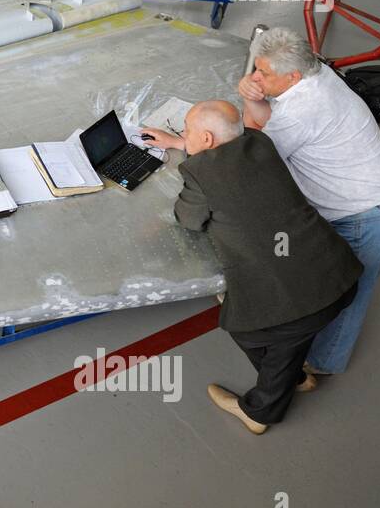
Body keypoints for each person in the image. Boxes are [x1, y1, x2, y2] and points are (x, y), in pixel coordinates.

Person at [142, 101, 361, 434]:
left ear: (205, 139)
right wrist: (180, 144)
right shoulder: (261, 143)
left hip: (305, 299)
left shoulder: (198, 174)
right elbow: (223, 159)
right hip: (339, 272)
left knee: (249, 329)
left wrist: (191, 160)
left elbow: (189, 219)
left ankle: (260, 412)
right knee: (288, 333)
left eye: (186, 130)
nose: (182, 135)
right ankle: (298, 377)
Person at [238, 27, 380, 375]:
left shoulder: (304, 108)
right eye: (255, 68)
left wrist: (188, 143)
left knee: (347, 298)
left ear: (293, 76)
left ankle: (320, 365)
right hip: (366, 208)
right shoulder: (317, 71)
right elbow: (262, 117)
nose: (255, 77)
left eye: (263, 73)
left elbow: (254, 158)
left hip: (369, 219)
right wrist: (253, 93)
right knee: (323, 282)